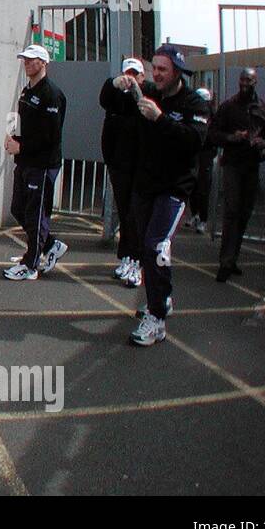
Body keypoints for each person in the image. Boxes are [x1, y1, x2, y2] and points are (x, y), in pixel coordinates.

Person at [108, 44, 210, 346]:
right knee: (143, 246)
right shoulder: (149, 91)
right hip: (145, 185)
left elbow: (195, 140)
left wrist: (161, 119)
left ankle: (157, 318)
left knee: (156, 247)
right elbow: (109, 101)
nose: (157, 74)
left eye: (162, 69)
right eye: (154, 68)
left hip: (174, 189)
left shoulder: (193, 103)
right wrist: (116, 85)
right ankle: (160, 299)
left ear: (177, 72)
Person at [207, 67, 265, 282]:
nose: (244, 84)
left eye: (248, 81)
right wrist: (232, 138)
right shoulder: (228, 107)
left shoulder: (264, 109)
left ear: (255, 82)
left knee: (244, 213)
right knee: (231, 211)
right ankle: (226, 261)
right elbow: (213, 134)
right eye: (242, 80)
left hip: (252, 165)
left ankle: (233, 258)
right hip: (232, 164)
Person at [3, 44, 68, 280]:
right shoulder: (26, 91)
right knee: (18, 209)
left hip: (42, 165)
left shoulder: (52, 94)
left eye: (32, 60)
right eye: (25, 60)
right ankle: (50, 245)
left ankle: (30, 265)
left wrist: (22, 146)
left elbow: (50, 137)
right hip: (26, 162)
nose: (27, 63)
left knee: (35, 214)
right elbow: (18, 118)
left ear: (43, 62)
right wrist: (10, 137)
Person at [99, 57, 146, 287]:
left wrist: (138, 92)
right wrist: (114, 83)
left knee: (134, 214)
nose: (131, 79)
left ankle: (137, 260)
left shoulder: (146, 96)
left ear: (142, 76)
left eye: (135, 74)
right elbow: (104, 99)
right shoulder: (116, 95)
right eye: (127, 74)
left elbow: (146, 112)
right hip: (118, 163)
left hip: (139, 165)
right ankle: (127, 256)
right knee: (124, 210)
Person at [186, 87, 216, 234]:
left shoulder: (213, 118)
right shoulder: (192, 113)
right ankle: (194, 214)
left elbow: (215, 135)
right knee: (192, 186)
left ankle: (203, 219)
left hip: (206, 155)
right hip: (194, 153)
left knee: (204, 188)